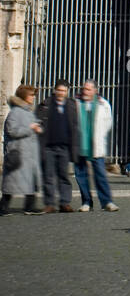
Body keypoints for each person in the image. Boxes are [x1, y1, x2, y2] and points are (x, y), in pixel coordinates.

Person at [73, 81, 118, 212]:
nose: (85, 91)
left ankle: (107, 201)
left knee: (100, 175)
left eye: (88, 89)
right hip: (80, 144)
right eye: (84, 89)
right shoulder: (76, 103)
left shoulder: (103, 104)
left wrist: (100, 136)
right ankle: (86, 202)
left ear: (95, 90)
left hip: (96, 144)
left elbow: (108, 122)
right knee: (81, 175)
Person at [1, 84, 44, 215]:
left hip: (28, 154)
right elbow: (12, 131)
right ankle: (3, 208)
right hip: (19, 153)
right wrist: (30, 128)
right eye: (31, 95)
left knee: (30, 180)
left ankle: (29, 206)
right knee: (11, 183)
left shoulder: (28, 111)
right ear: (23, 96)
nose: (33, 97)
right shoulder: (15, 112)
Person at [37, 79, 77, 212]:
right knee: (48, 176)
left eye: (64, 91)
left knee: (63, 175)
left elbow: (75, 126)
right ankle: (49, 203)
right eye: (59, 90)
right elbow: (38, 122)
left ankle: (64, 202)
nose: (61, 93)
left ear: (67, 92)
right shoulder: (45, 104)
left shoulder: (72, 105)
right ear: (55, 90)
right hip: (48, 145)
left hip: (64, 146)